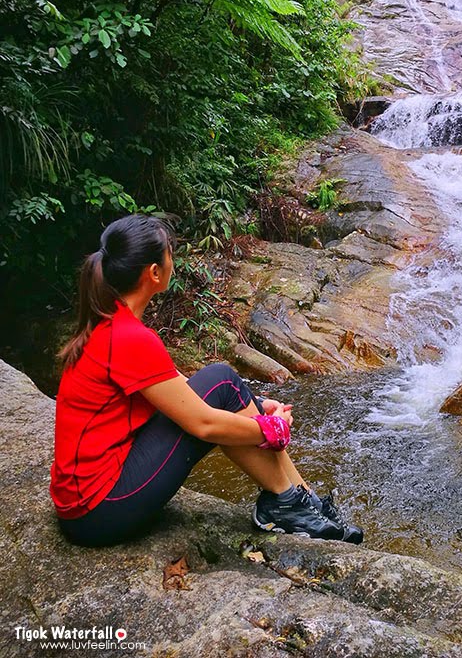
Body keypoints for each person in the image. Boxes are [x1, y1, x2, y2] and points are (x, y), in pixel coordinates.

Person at [49, 213, 363, 548]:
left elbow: (181, 390)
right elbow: (203, 424)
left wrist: (257, 406)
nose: (174, 260)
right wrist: (273, 429)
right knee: (222, 385)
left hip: (90, 497)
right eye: (170, 253)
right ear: (154, 273)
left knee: (223, 383)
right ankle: (287, 502)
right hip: (96, 511)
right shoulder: (128, 338)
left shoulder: (113, 322)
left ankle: (301, 500)